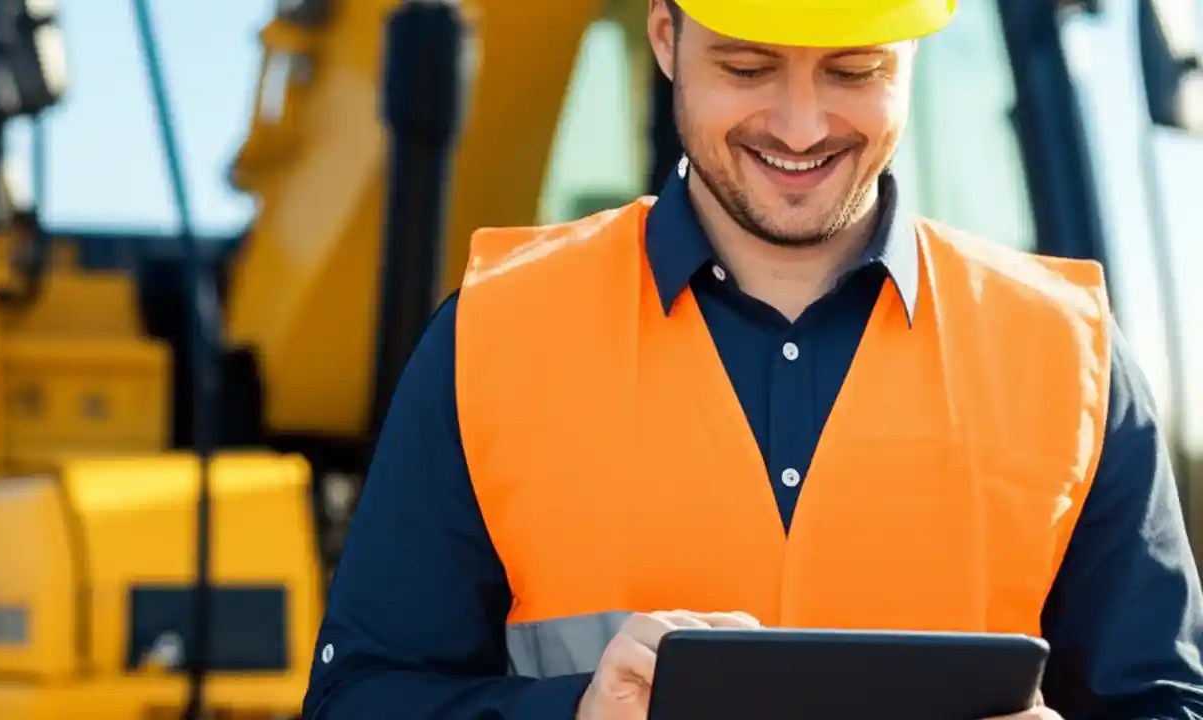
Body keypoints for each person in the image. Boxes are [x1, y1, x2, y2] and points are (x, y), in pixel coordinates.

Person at [301, 0, 1203, 718]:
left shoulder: (1067, 354)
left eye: (855, 70)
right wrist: (576, 713)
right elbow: (364, 698)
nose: (802, 126)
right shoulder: (493, 333)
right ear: (666, 35)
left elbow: (1165, 704)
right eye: (747, 66)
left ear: (914, 57)